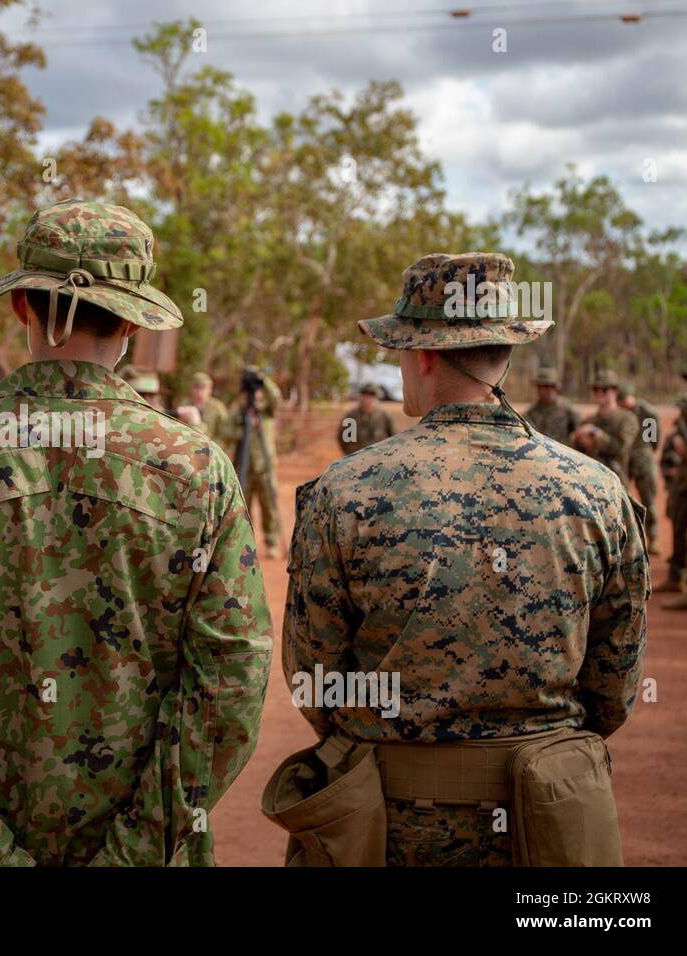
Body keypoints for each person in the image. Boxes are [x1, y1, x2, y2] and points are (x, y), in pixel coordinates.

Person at [0, 199, 271, 866]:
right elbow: (231, 683)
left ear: (22, 306)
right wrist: (134, 853)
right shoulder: (196, 471)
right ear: (135, 322)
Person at [277, 253, 648, 866]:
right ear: (504, 351)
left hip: (390, 828)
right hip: (549, 825)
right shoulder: (597, 490)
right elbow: (613, 690)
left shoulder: (346, 490)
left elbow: (315, 678)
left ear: (420, 354)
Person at [218, 368, 284, 558]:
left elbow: (276, 399)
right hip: (243, 466)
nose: (253, 394)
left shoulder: (266, 411)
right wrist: (243, 432)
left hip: (265, 467)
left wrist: (264, 380)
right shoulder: (238, 411)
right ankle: (245, 542)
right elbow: (225, 431)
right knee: (242, 506)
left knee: (268, 505)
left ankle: (271, 542)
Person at [664, 363, 687, 610]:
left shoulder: (643, 412)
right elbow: (658, 435)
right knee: (678, 519)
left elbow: (648, 426)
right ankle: (676, 574)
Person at [617, 380, 662, 555]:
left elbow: (652, 442)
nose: (623, 404)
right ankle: (627, 540)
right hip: (624, 461)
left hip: (643, 459)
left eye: (625, 399)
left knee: (648, 499)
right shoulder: (619, 413)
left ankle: (653, 538)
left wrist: (643, 457)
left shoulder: (646, 413)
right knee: (624, 500)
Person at [573, 371, 639, 486]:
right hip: (590, 483)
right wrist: (577, 439)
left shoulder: (627, 419)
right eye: (595, 389)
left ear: (615, 391)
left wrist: (597, 435)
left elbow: (621, 448)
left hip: (616, 485)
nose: (599, 393)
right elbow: (575, 453)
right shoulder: (588, 421)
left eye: (604, 390)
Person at [523, 366, 579, 446]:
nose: (549, 390)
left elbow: (578, 430)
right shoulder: (531, 413)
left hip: (563, 453)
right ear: (538, 388)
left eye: (552, 386)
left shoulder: (566, 408)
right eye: (545, 386)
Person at [337, 383, 396, 455]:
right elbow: (343, 439)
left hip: (379, 458)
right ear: (360, 397)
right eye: (365, 396)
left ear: (376, 398)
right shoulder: (351, 417)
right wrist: (349, 455)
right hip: (356, 458)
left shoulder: (384, 416)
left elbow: (393, 437)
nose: (368, 399)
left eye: (371, 396)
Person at [176, 371, 229, 442]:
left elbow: (224, 433)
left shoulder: (217, 407)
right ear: (191, 387)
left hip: (210, 447)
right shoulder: (184, 404)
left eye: (203, 388)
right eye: (196, 387)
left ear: (210, 389)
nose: (199, 392)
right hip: (187, 445)